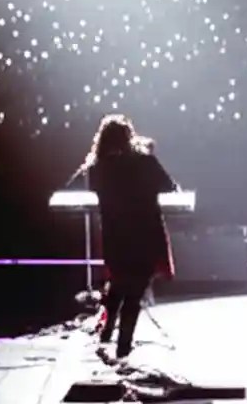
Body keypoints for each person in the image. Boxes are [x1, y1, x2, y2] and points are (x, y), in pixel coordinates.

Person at [83, 114, 178, 359]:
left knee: (119, 282)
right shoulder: (145, 163)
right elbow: (169, 185)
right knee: (134, 291)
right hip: (145, 234)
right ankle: (123, 346)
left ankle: (106, 334)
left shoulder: (97, 169)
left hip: (116, 236)